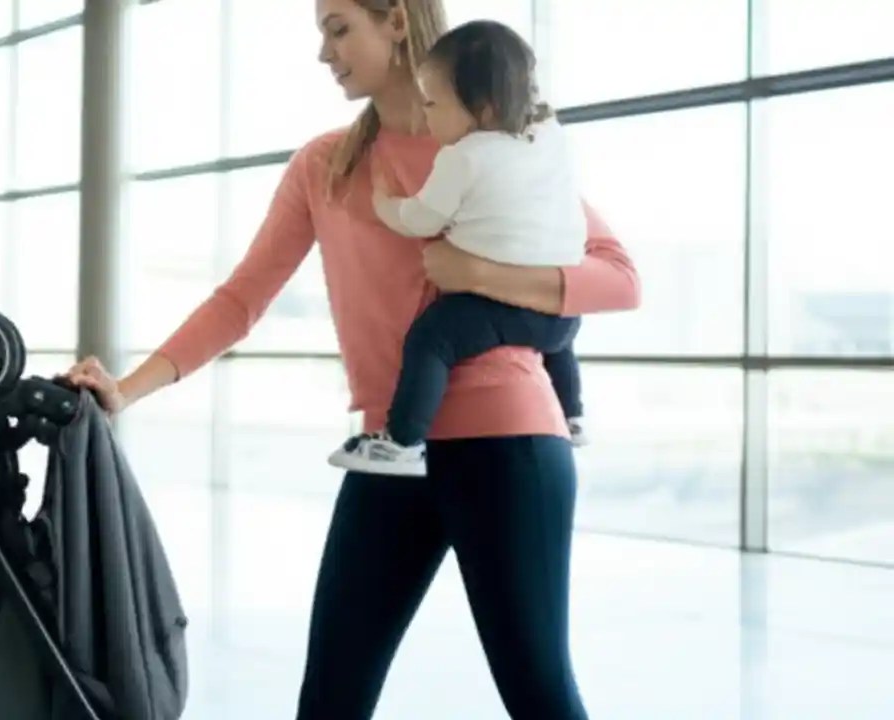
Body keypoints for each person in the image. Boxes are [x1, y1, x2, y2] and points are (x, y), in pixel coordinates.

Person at [67, 1, 640, 718]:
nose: (324, 52)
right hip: (390, 452)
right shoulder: (326, 165)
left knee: (539, 692)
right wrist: (125, 388)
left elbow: (619, 277)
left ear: (396, 22)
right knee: (331, 699)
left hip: (508, 443)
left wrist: (477, 274)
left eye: (339, 29)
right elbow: (240, 299)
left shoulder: (496, 145)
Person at [327, 19, 588, 478]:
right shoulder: (547, 137)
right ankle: (572, 414)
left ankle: (402, 441)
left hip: (493, 307)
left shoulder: (462, 157)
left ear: (482, 108)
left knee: (434, 335)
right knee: (556, 344)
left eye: (434, 104)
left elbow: (420, 219)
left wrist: (386, 202)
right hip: (562, 319)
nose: (427, 117)